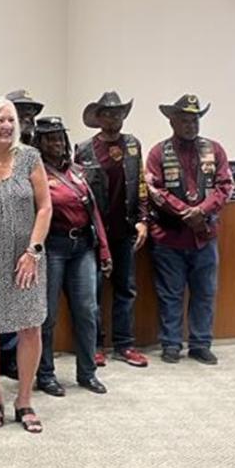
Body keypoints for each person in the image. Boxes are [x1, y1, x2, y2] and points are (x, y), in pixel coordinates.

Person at [0, 97, 51, 433]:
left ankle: (25, 400)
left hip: (26, 257)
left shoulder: (29, 157)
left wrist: (33, 251)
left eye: (10, 120)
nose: (6, 126)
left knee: (29, 325)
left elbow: (44, 207)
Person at [146, 94, 234, 364]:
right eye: (184, 119)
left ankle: (200, 343)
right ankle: (171, 344)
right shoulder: (158, 152)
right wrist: (186, 213)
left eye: (194, 119)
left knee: (205, 292)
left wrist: (202, 211)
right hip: (169, 237)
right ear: (172, 121)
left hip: (205, 236)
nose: (191, 124)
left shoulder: (214, 149)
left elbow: (225, 186)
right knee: (170, 294)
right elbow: (154, 189)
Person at [31, 117, 112, 398]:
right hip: (53, 247)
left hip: (83, 248)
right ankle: (45, 374)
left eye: (59, 138)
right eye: (50, 138)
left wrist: (103, 248)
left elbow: (94, 214)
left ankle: (87, 373)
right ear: (39, 142)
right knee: (48, 315)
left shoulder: (77, 171)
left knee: (87, 311)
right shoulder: (35, 172)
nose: (56, 143)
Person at [75, 91, 150, 368]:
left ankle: (124, 344)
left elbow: (141, 184)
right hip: (95, 233)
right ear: (98, 118)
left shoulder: (133, 145)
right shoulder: (84, 149)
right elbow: (78, 190)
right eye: (107, 113)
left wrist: (144, 219)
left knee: (126, 289)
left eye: (118, 112)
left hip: (126, 229)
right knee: (92, 291)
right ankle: (94, 345)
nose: (113, 117)